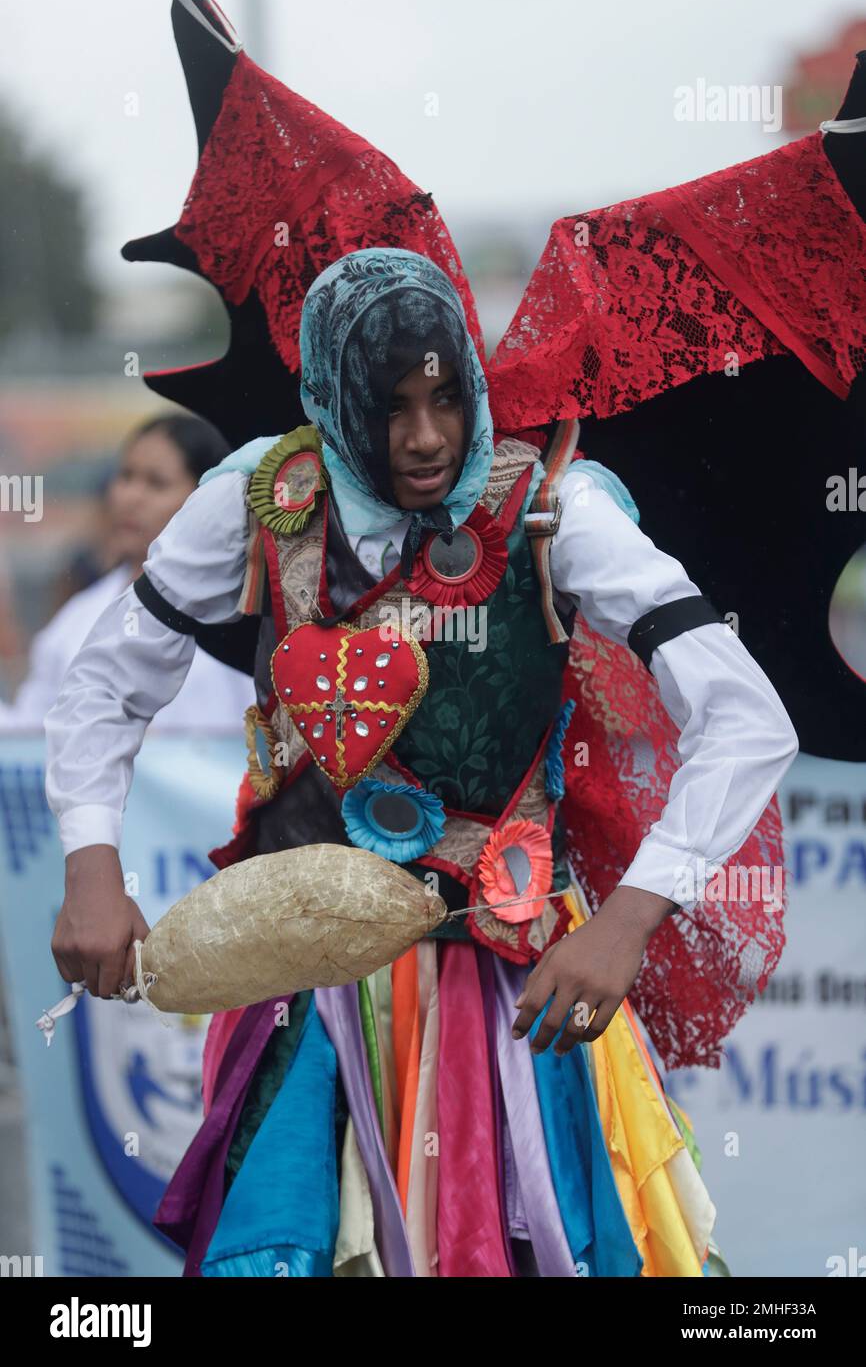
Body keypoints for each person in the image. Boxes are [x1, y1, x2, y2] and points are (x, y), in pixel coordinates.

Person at [44, 247, 798, 1277]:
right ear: (326, 393)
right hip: (299, 996)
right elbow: (100, 686)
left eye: (446, 397)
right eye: (389, 404)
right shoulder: (254, 501)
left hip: (511, 991)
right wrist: (90, 866)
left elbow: (747, 715)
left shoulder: (551, 510)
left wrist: (627, 918)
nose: (426, 436)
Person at [2, 414, 254, 732]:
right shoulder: (78, 617)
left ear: (205, 499)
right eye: (125, 476)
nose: (129, 497)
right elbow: (29, 734)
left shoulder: (240, 615)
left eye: (156, 483)